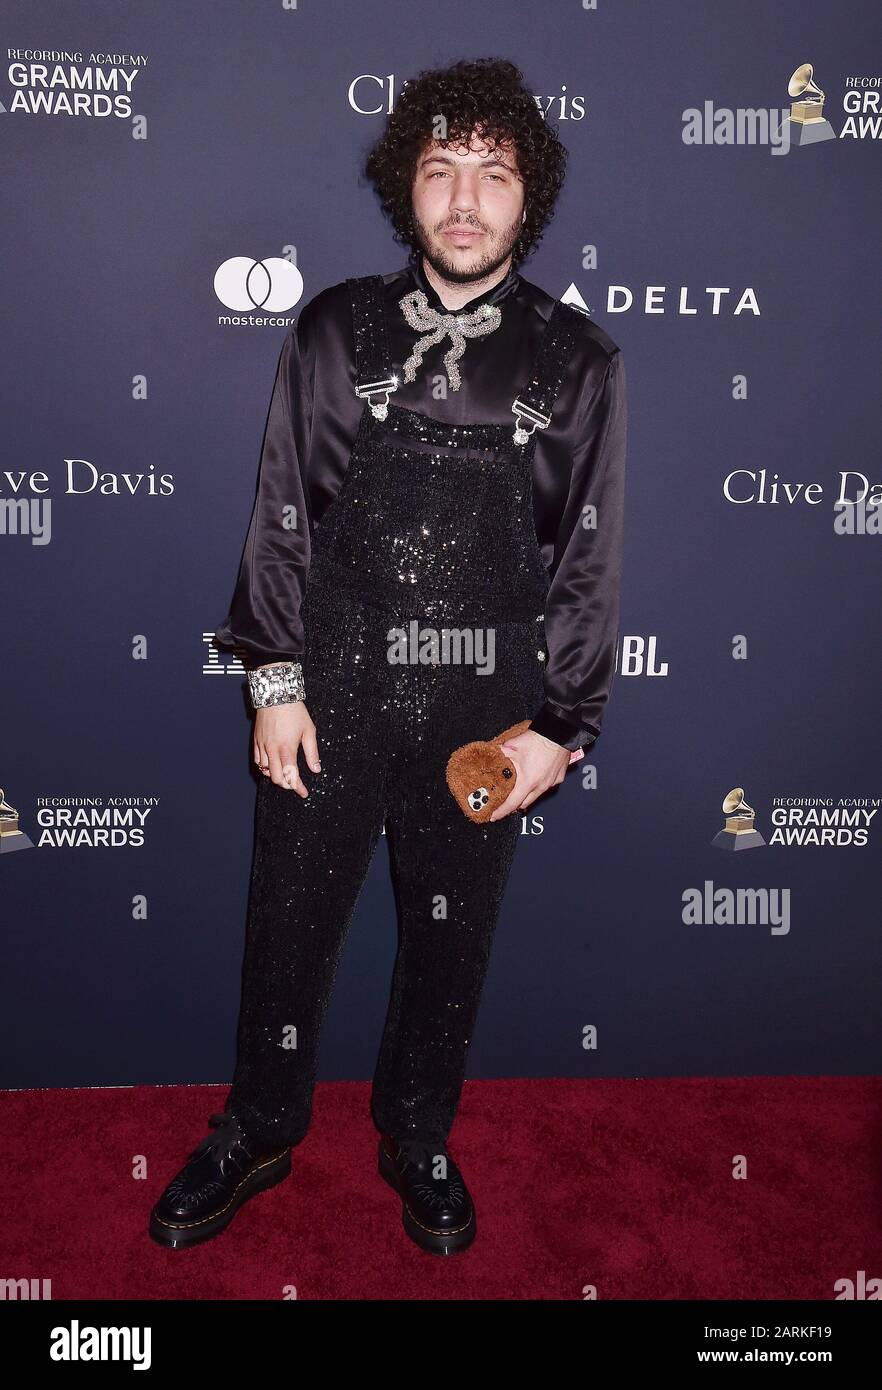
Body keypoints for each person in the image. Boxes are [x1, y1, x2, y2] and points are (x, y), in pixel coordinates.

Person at [149, 56, 627, 1256]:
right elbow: (281, 518)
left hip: (485, 704)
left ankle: (418, 1133)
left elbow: (587, 557)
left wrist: (560, 725)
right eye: (440, 169)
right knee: (287, 929)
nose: (465, 199)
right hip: (334, 682)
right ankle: (260, 1124)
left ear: (531, 196)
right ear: (404, 185)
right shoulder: (335, 326)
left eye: (494, 174)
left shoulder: (579, 361)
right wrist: (273, 679)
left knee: (451, 943)